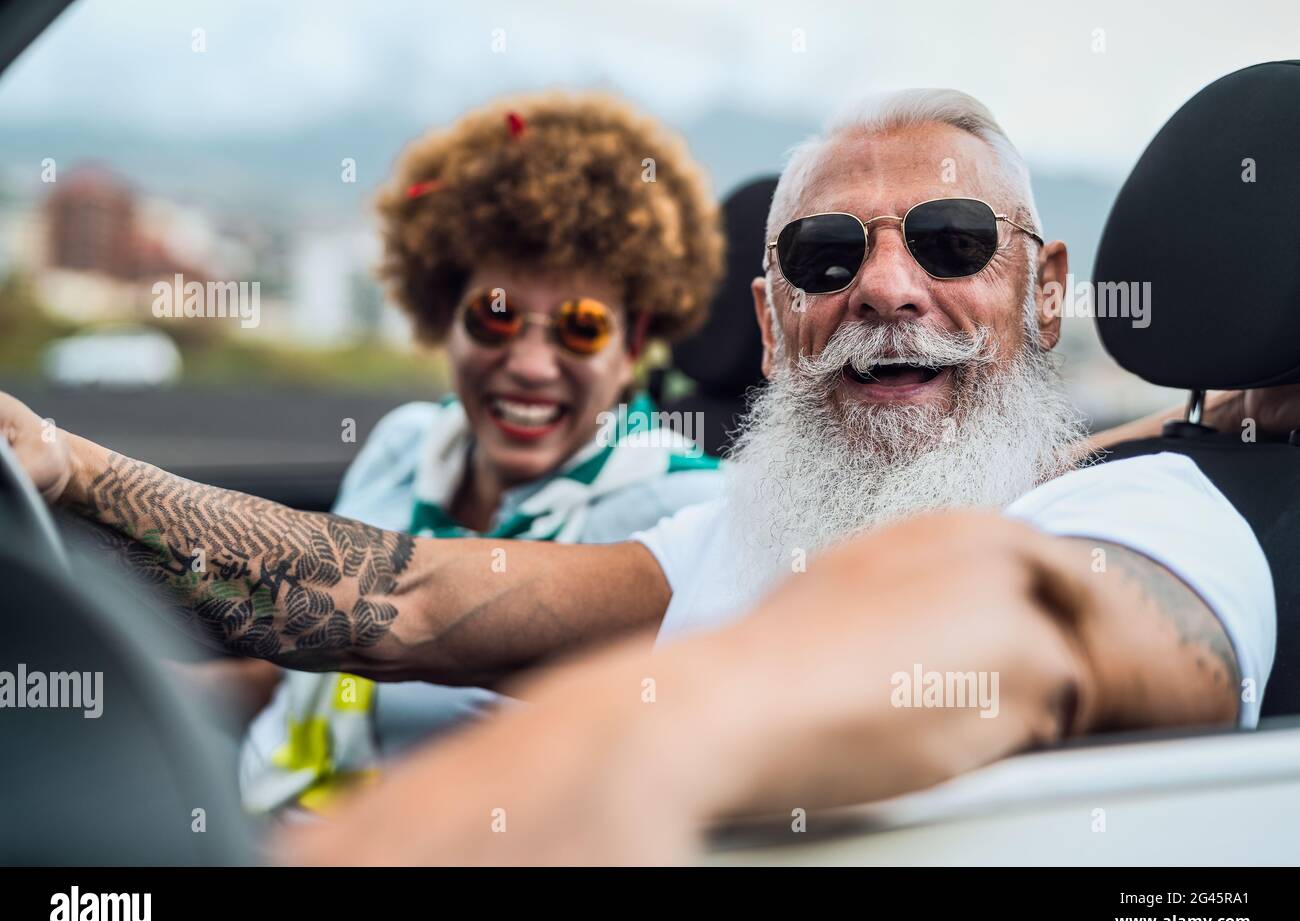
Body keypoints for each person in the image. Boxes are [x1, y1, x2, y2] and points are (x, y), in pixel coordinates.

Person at [3, 88, 1294, 862]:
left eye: (953, 243)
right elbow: (420, 599)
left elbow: (1032, 616)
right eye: (826, 256)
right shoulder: (737, 524)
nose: (888, 289)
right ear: (773, 319)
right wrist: (69, 467)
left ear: (1046, 290)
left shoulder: (1151, 512)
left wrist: (611, 752)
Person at [237, 91, 727, 813]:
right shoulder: (405, 443)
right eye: (494, 317)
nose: (529, 365)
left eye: (582, 328)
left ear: (631, 346)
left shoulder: (690, 511)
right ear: (446, 319)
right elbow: (298, 679)